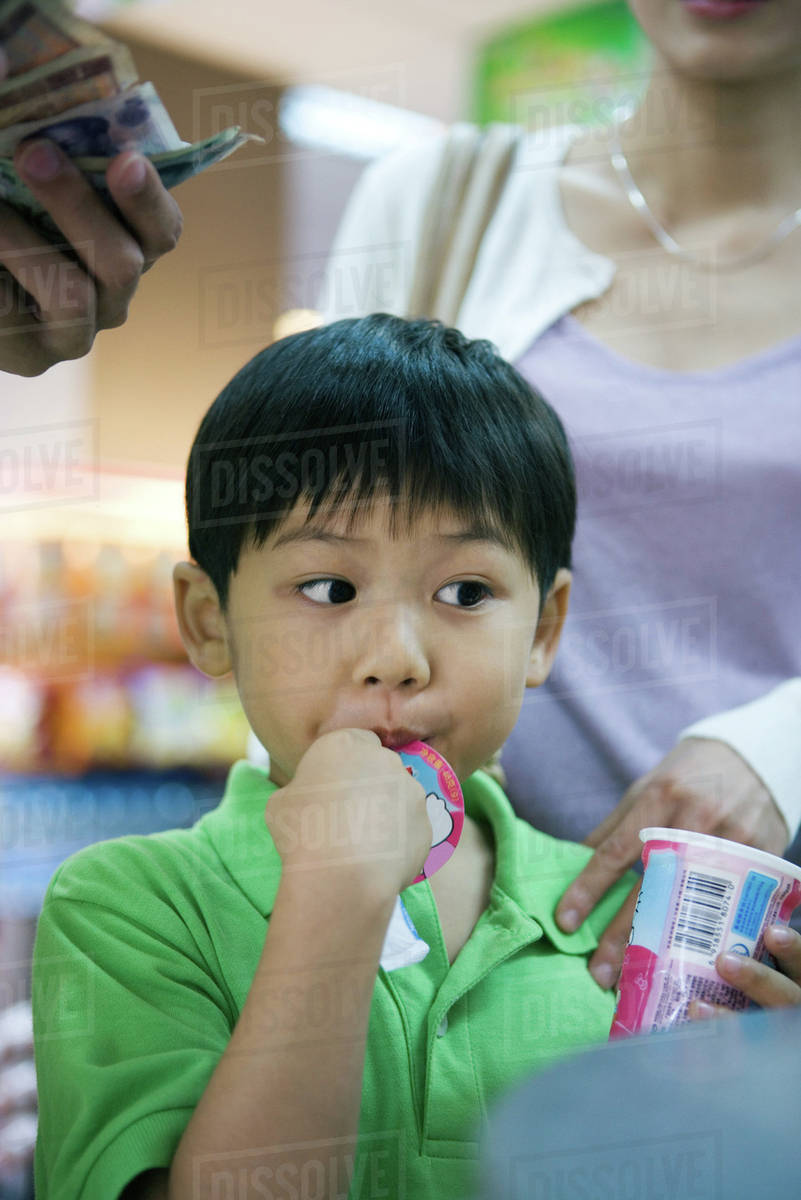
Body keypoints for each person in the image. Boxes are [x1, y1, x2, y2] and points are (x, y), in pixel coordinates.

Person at [29, 315, 801, 1200]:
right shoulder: (131, 907)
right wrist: (335, 896)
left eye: (464, 592)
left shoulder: (637, 925)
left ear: (543, 630)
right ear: (210, 621)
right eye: (327, 588)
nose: (396, 654)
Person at [313, 0, 801, 991]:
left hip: (752, 958)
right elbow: (313, 562)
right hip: (435, 939)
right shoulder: (448, 200)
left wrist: (774, 754)